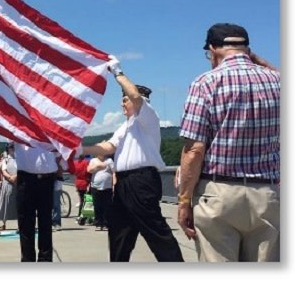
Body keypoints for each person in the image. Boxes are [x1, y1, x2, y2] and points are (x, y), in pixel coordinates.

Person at [177, 23, 280, 262]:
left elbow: (194, 150)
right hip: (268, 194)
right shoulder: (278, 82)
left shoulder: (205, 83)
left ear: (212, 50)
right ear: (248, 49)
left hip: (219, 194)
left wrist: (184, 200)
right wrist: (259, 62)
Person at [79, 56, 184, 262]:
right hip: (124, 183)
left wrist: (117, 72)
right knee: (119, 232)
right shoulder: (125, 126)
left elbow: (135, 96)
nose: (122, 103)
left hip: (141, 181)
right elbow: (109, 146)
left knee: (155, 231)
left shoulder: (147, 116)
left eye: (124, 99)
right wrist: (79, 149)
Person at [14, 142, 59, 262]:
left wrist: (59, 178)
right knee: (25, 223)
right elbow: (6, 129)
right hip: (25, 179)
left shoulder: (48, 127)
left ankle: (45, 259)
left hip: (47, 178)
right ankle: (27, 260)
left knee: (46, 221)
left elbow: (59, 155)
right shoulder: (19, 128)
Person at [87, 154, 115, 231]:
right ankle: (98, 223)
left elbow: (114, 172)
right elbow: (89, 170)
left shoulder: (109, 161)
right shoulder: (93, 160)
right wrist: (97, 166)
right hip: (95, 186)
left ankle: (106, 223)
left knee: (107, 206)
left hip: (107, 187)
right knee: (97, 205)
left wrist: (114, 185)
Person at [0, 142, 18, 232]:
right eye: (10, 147)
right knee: (5, 203)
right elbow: (3, 170)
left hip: (18, 183)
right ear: (7, 149)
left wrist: (15, 177)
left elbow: (21, 169)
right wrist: (10, 177)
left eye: (13, 147)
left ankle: (19, 225)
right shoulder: (5, 159)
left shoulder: (19, 158)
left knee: (18, 205)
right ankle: (3, 224)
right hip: (7, 183)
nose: (12, 149)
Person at [72, 154, 91, 221]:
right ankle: (86, 217)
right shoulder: (86, 162)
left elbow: (73, 171)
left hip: (78, 182)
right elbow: (88, 172)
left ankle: (79, 215)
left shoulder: (75, 163)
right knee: (87, 200)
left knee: (82, 200)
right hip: (85, 182)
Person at [51, 162, 65, 232]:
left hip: (56, 181)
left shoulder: (59, 158)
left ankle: (56, 222)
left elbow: (63, 168)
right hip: (44, 180)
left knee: (56, 203)